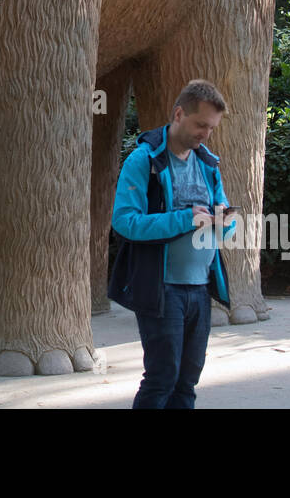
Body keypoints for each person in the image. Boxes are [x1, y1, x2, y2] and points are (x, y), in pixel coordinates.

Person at [108, 78, 237, 408]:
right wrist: (184, 219)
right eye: (200, 125)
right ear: (179, 114)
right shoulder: (143, 160)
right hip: (162, 288)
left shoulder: (208, 163)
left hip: (200, 288)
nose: (206, 134)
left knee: (187, 382)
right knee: (162, 377)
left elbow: (222, 216)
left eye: (211, 128)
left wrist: (226, 223)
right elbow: (125, 222)